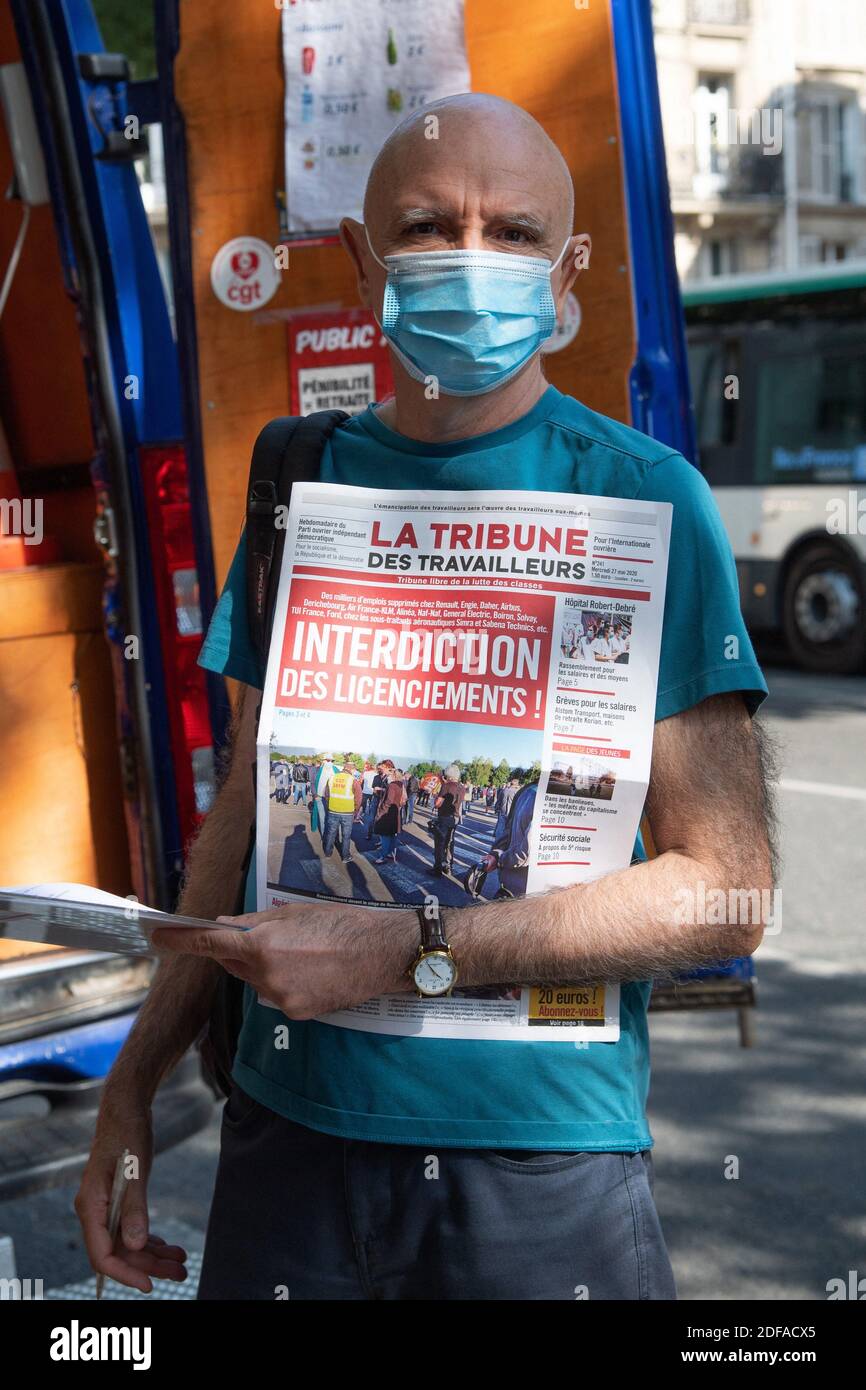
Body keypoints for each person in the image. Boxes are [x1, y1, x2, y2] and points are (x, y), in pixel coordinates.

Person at [78, 94, 773, 1303]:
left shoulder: (648, 500)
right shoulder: (300, 482)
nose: (470, 261)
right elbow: (242, 810)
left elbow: (727, 888)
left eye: (511, 234)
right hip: (291, 1143)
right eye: (426, 227)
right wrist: (134, 1080)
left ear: (567, 270)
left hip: (539, 1165)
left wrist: (409, 949)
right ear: (363, 258)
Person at [322, 758, 363, 863]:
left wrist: (329, 805)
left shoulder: (332, 778)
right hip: (347, 812)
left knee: (331, 832)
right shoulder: (353, 780)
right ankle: (345, 856)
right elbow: (358, 798)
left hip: (333, 810)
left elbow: (326, 795)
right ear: (352, 769)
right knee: (346, 835)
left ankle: (327, 853)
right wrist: (356, 810)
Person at [373, 768, 406, 864]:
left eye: (390, 774)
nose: (388, 776)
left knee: (385, 836)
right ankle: (390, 853)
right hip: (395, 813)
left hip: (388, 813)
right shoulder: (400, 784)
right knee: (392, 835)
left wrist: (382, 810)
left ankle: (383, 856)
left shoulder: (392, 785)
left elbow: (389, 800)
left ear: (394, 775)